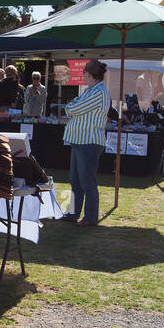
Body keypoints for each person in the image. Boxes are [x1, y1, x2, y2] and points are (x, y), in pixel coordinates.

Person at [62, 60, 111, 227]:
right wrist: (72, 106)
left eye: (85, 74)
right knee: (75, 181)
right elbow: (75, 105)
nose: (83, 77)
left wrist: (70, 108)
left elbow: (74, 108)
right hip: (79, 140)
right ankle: (72, 213)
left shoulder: (99, 92)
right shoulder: (91, 90)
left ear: (90, 75)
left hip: (89, 141)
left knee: (87, 181)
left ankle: (90, 217)